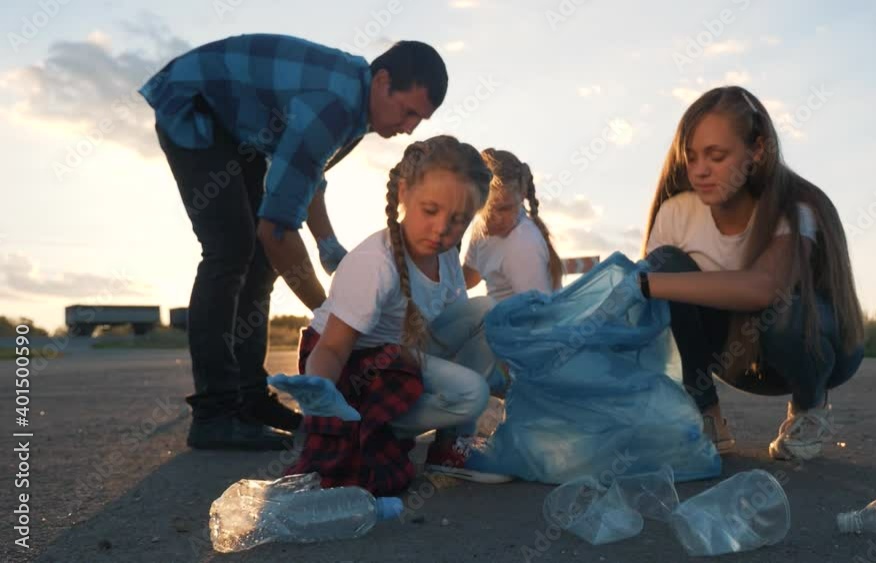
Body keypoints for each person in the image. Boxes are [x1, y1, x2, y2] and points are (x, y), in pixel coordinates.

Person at [140, 34, 448, 450]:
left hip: (239, 129)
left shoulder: (357, 112)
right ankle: (214, 412)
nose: (409, 128)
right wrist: (334, 314)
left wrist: (328, 245)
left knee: (262, 261)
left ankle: (248, 398)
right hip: (194, 102)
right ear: (383, 81)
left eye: (419, 120)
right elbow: (276, 229)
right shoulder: (335, 103)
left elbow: (306, 180)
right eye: (408, 111)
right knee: (231, 250)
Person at [639, 86, 865, 461]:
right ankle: (705, 416)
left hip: (811, 349)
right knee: (664, 263)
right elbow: (656, 312)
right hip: (734, 359)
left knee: (783, 313)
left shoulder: (794, 209)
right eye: (691, 157)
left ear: (757, 151)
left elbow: (766, 288)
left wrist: (644, 284)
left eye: (716, 156)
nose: (700, 170)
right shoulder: (676, 214)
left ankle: (809, 409)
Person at [301, 135, 511, 483]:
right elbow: (332, 347)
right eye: (430, 210)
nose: (442, 229)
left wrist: (508, 375)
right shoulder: (375, 263)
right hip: (356, 368)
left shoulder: (445, 256)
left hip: (404, 352)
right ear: (403, 194)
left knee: (490, 309)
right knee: (472, 393)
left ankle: (450, 447)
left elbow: (461, 333)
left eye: (458, 220)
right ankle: (373, 425)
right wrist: (320, 397)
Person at [463, 148, 563, 301]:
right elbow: (469, 278)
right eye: (487, 209)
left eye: (505, 208)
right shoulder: (480, 230)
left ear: (522, 196)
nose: (495, 217)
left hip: (525, 322)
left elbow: (539, 313)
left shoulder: (523, 242)